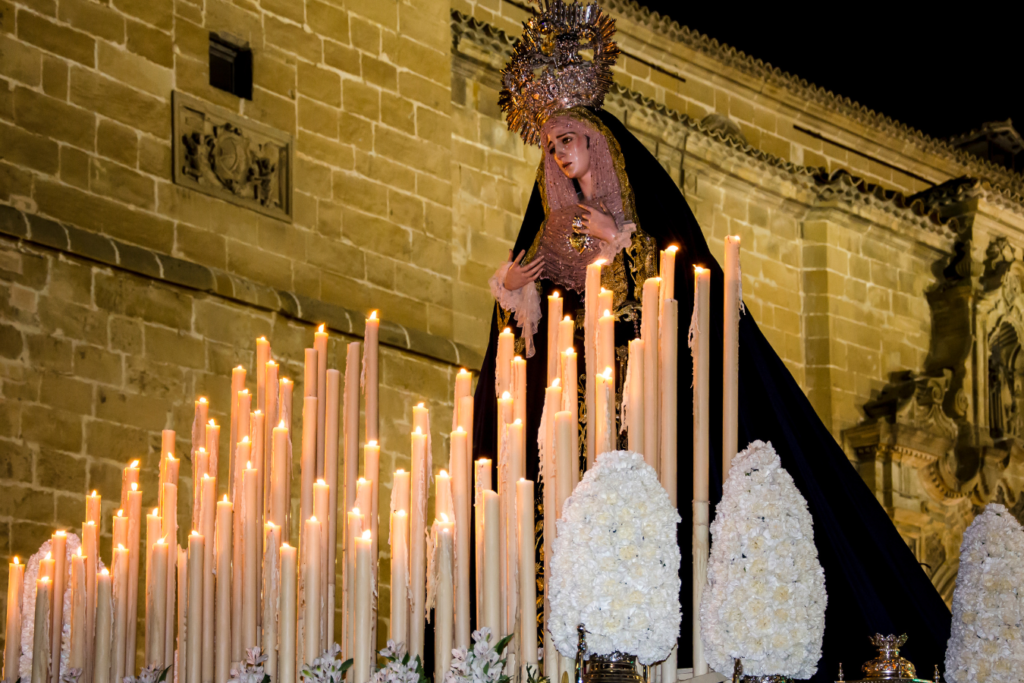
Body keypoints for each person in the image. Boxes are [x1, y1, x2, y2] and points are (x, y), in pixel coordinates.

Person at [471, 2, 951, 680]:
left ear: (598, 139)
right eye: (550, 147)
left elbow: (686, 292)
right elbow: (536, 318)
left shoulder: (641, 220)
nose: (558, 154)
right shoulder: (556, 230)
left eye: (568, 140)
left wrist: (624, 250)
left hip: (649, 402)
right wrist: (514, 293)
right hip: (574, 409)